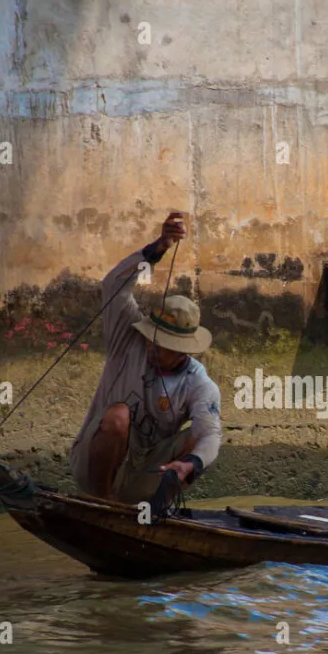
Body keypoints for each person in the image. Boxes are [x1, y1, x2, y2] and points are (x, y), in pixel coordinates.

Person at [69, 212, 221, 507]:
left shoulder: (199, 383)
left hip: (147, 475)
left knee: (195, 440)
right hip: (92, 469)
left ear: (182, 350)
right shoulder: (127, 336)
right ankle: (104, 504)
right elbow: (114, 285)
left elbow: (210, 435)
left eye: (163, 344)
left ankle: (154, 512)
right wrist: (158, 248)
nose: (152, 346)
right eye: (153, 337)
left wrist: (192, 464)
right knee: (118, 415)